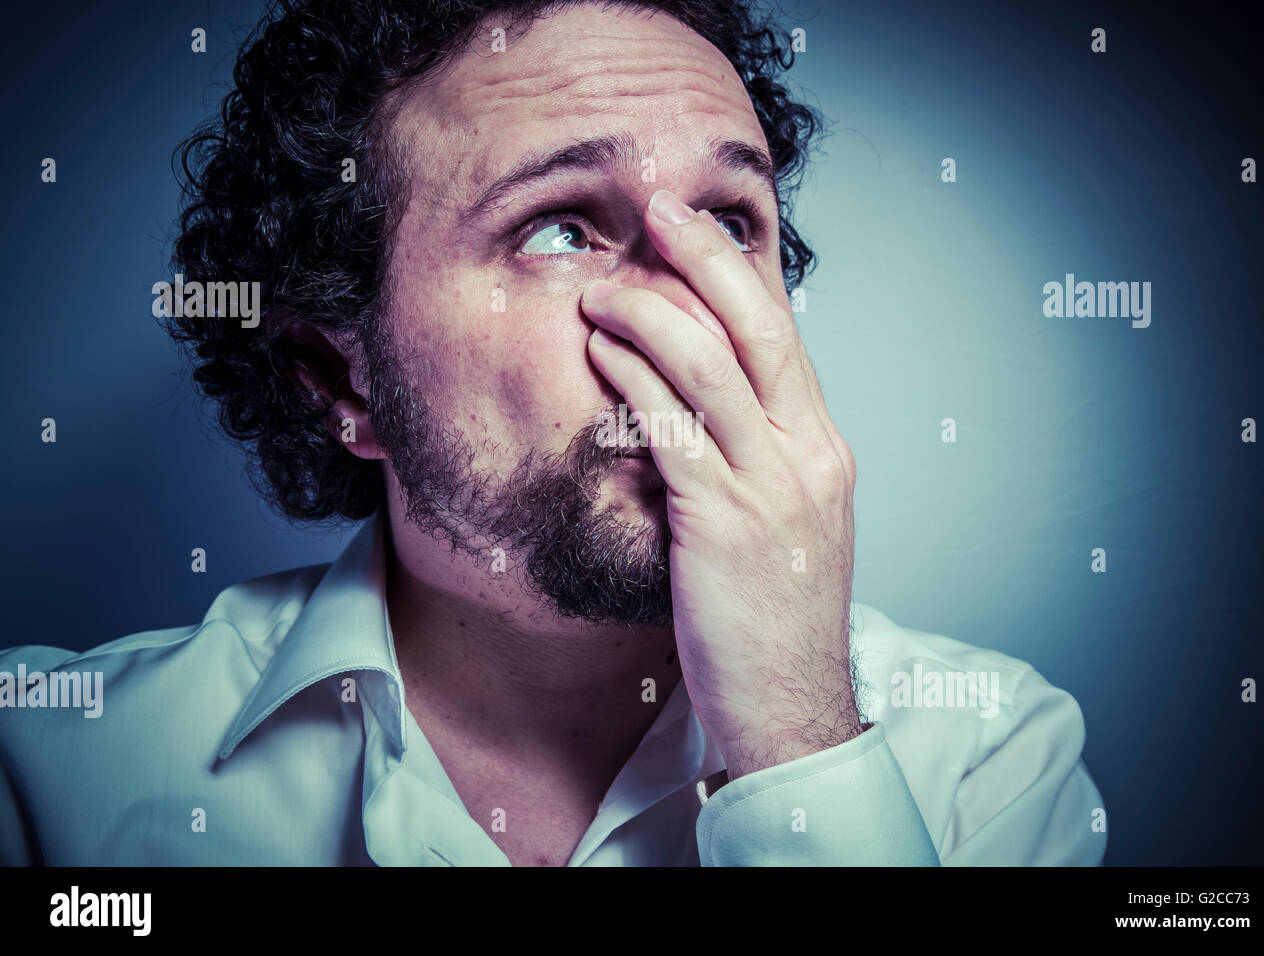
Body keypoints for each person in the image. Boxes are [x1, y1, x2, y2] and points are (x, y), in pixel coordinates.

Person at [0, 0, 1105, 866]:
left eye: (729, 224)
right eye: (561, 227)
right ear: (342, 370)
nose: (691, 308)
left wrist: (799, 748)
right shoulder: (54, 773)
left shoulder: (983, 759)